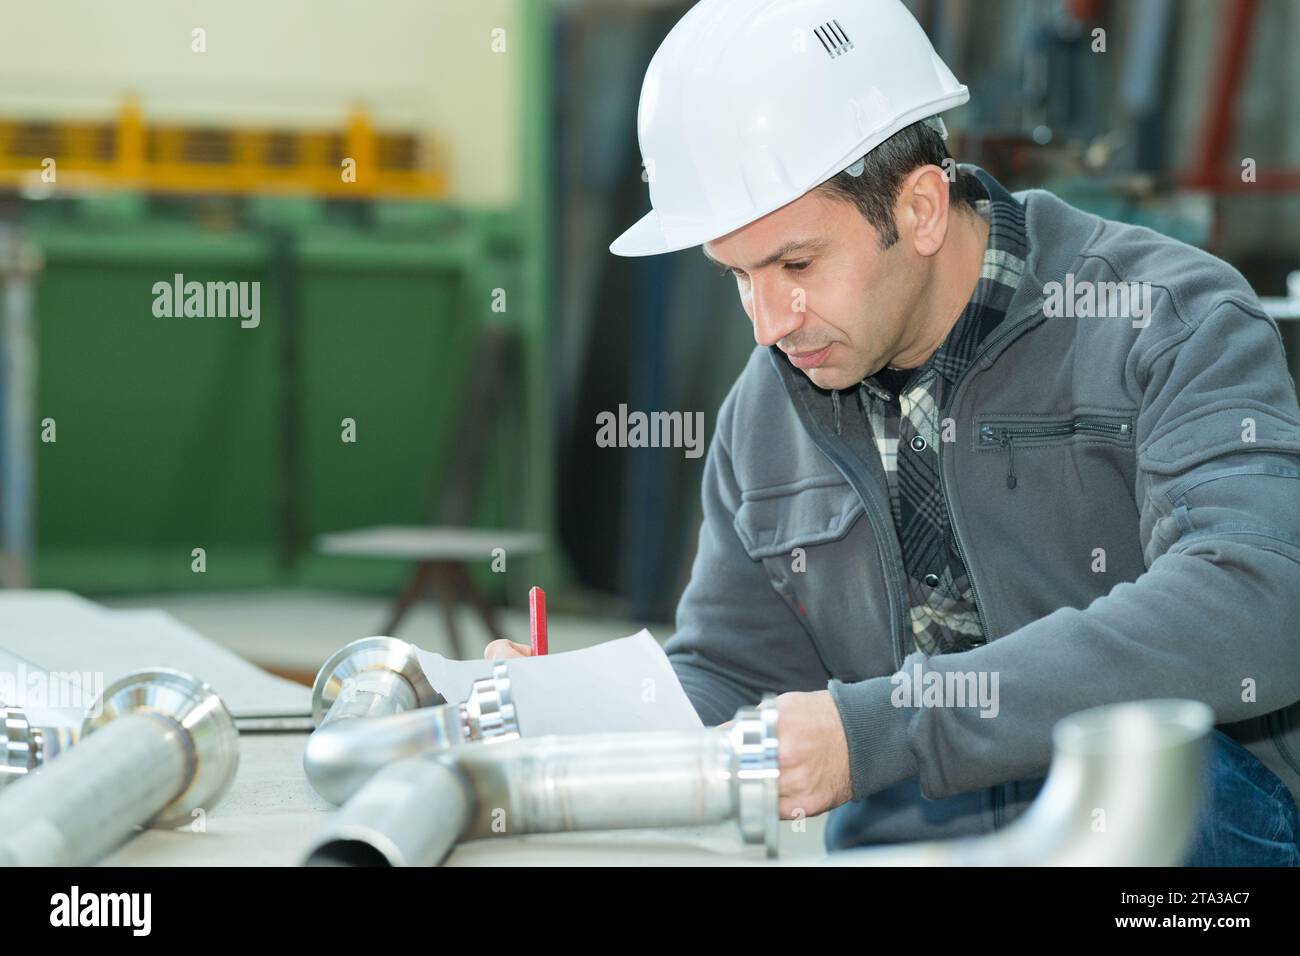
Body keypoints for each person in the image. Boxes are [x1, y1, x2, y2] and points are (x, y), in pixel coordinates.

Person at [490, 0, 1300, 866]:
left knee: (1157, 760)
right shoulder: (767, 411)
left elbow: (1258, 596)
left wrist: (889, 729)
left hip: (1174, 842)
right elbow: (734, 678)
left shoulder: (1160, 318)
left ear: (918, 210)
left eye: (796, 265)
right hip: (908, 849)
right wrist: (576, 719)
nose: (769, 323)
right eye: (738, 277)